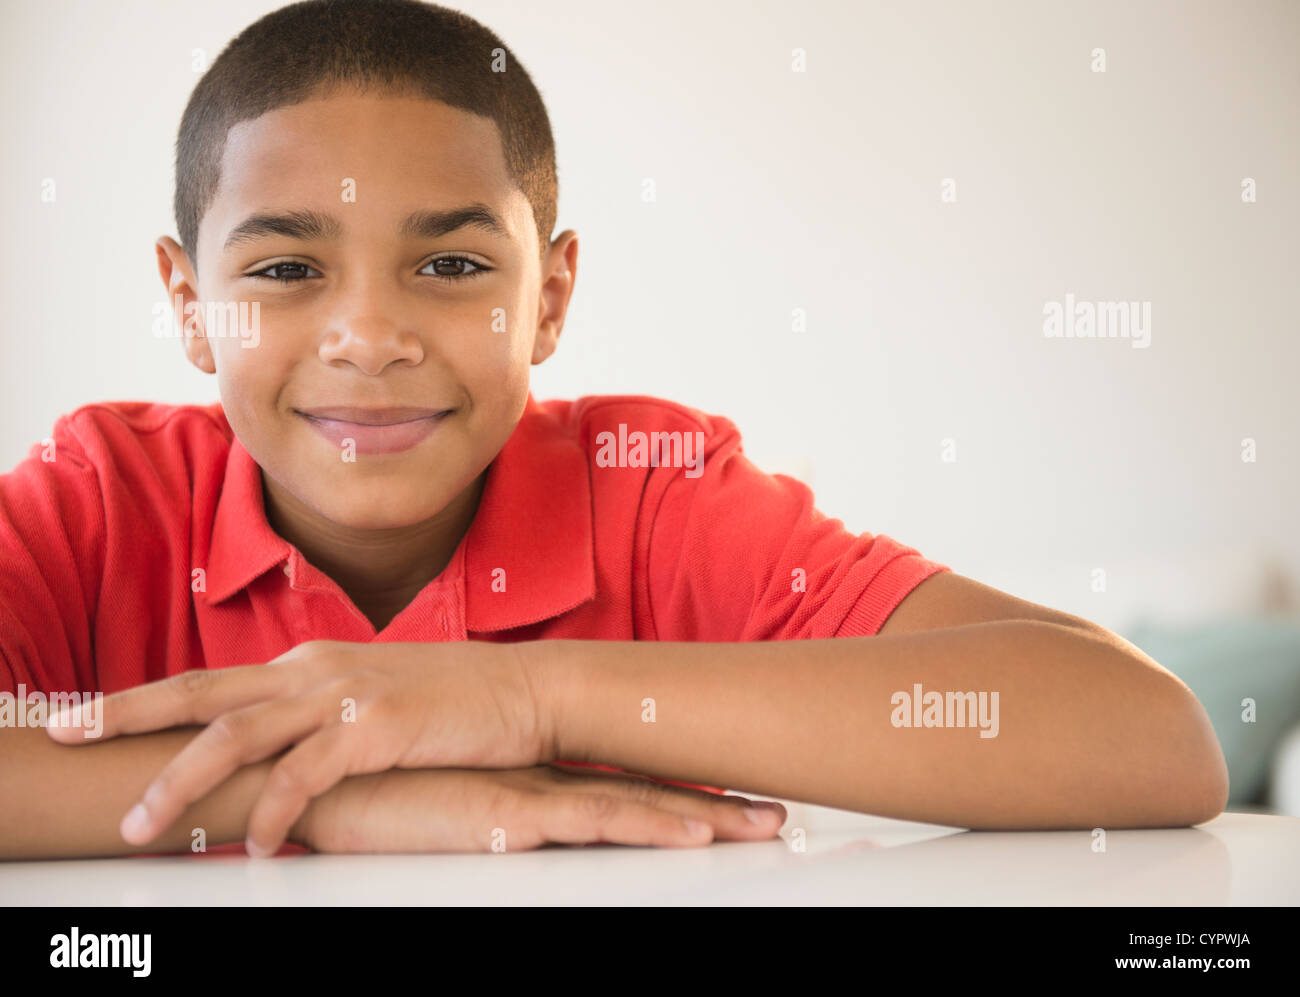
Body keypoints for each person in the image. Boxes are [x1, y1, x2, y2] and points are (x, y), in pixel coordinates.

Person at [0, 0, 1227, 860]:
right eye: (283, 269)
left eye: (449, 261)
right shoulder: (99, 502)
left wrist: (529, 697)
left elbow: (1151, 739)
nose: (368, 336)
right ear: (187, 304)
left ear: (549, 299)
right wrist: (318, 794)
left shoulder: (653, 495)